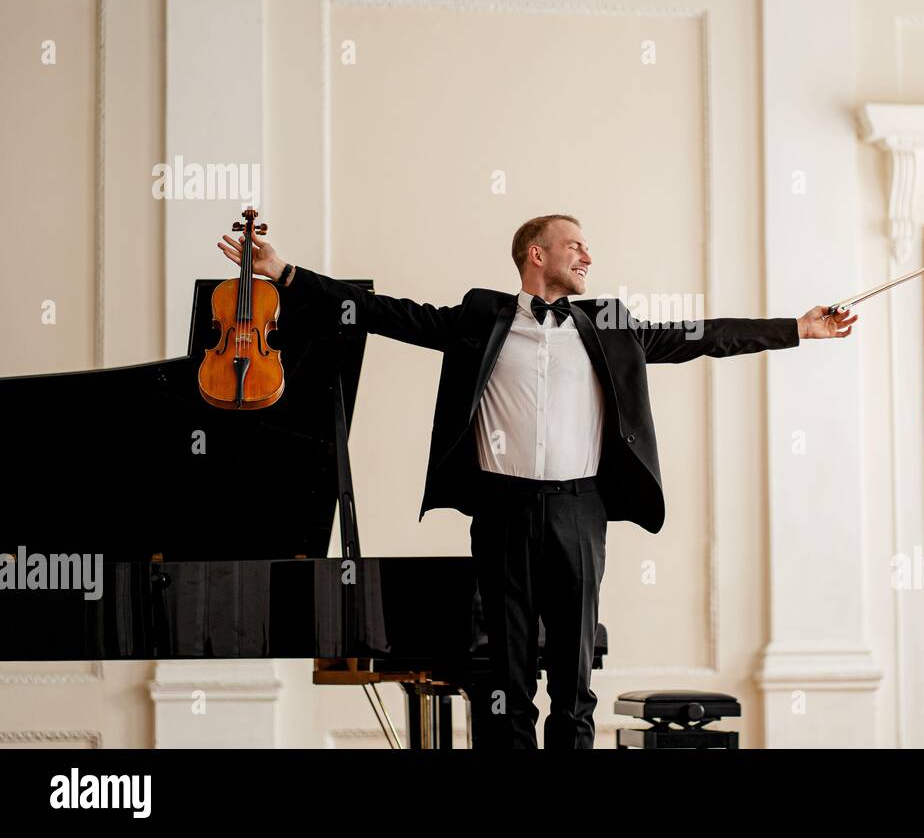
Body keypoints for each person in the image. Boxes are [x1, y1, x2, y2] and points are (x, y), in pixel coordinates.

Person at [217, 213, 856, 748]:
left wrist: (798, 329)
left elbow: (701, 336)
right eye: (573, 243)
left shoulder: (607, 325)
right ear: (535, 253)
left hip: (580, 511)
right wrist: (285, 274)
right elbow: (386, 313)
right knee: (506, 679)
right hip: (500, 510)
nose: (586, 253)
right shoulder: (479, 318)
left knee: (574, 684)